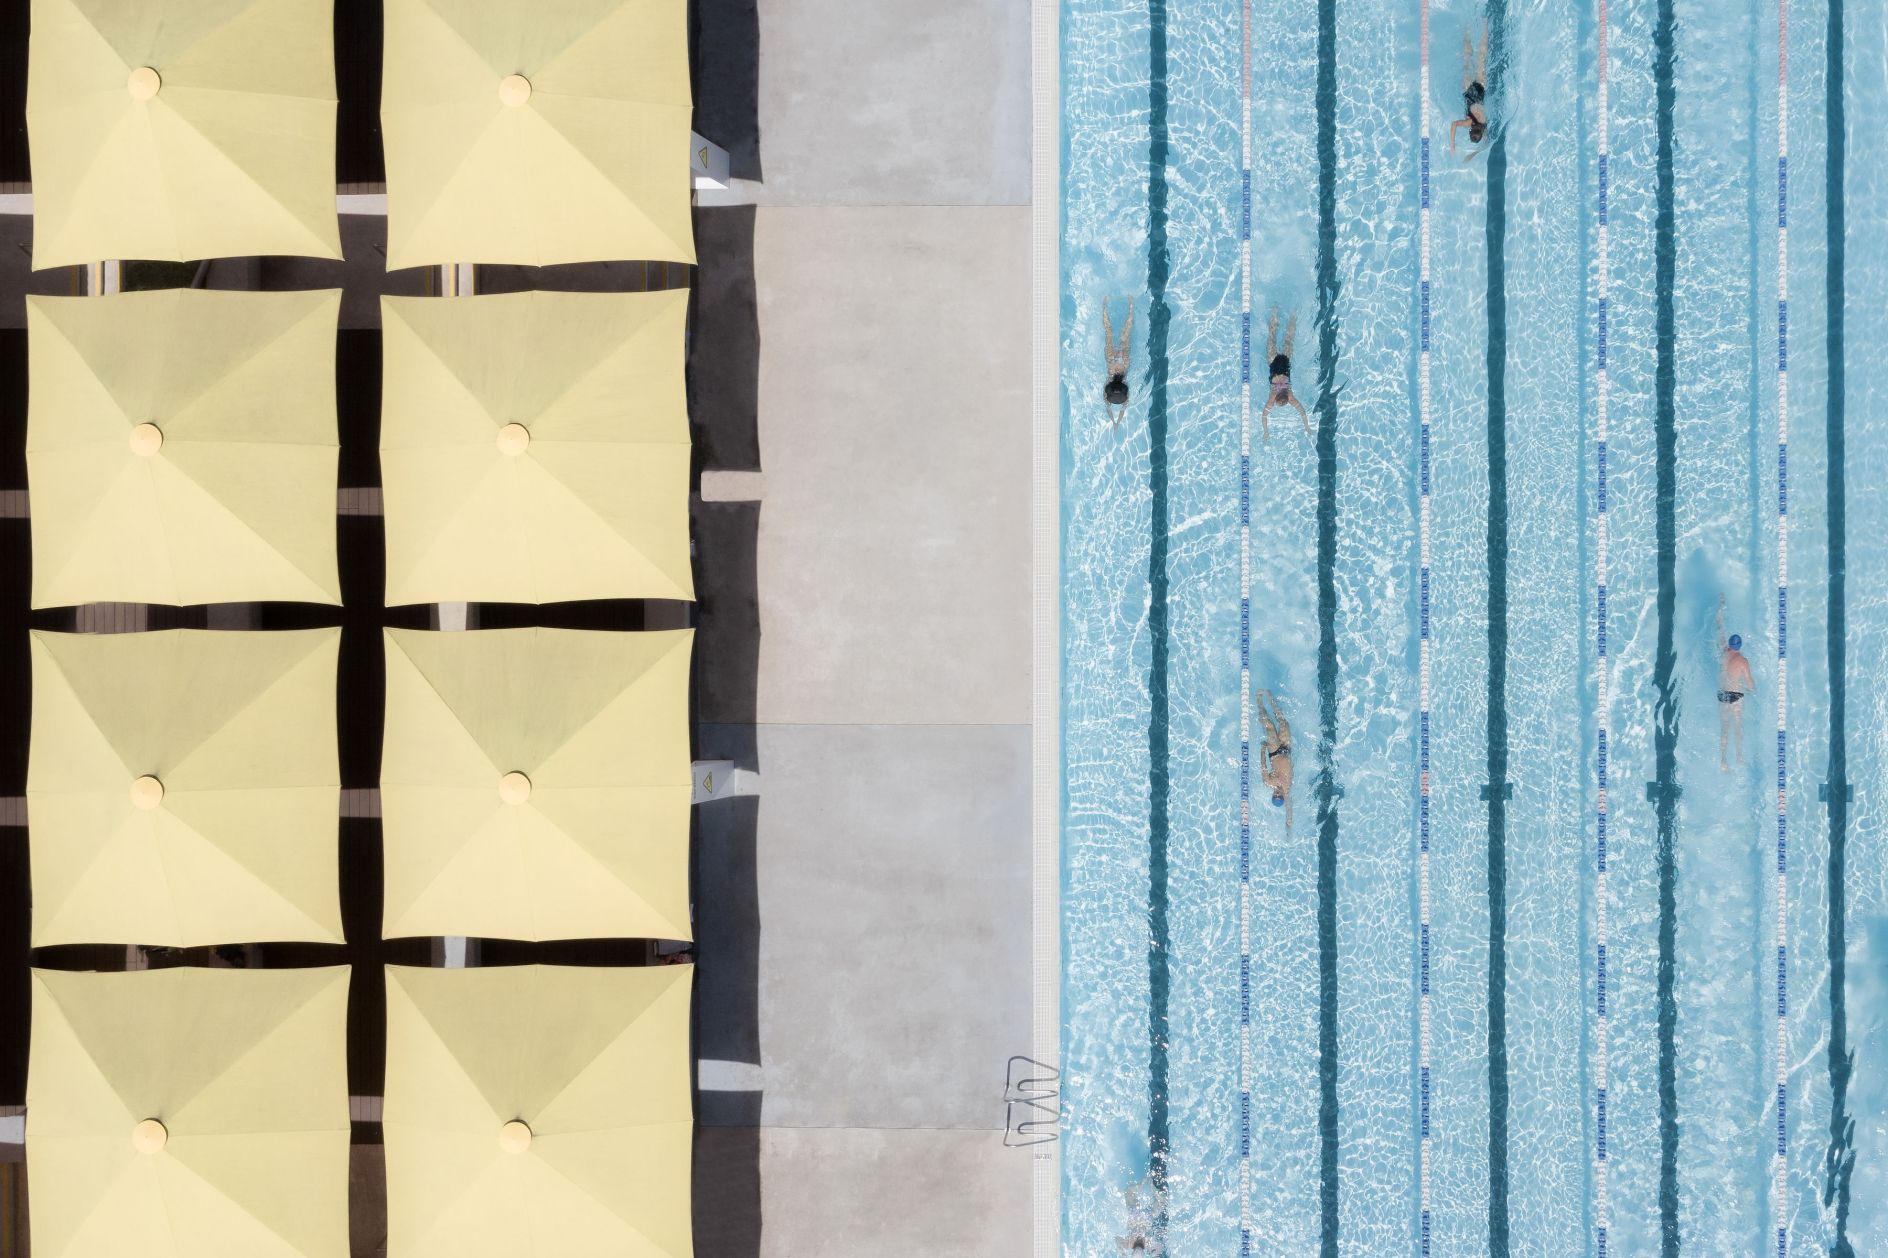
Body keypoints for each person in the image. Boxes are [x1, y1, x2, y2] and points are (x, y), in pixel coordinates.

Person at [1259, 306, 1312, 439]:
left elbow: (1302, 412)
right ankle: (1275, 311)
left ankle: (1293, 312)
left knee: (1289, 337)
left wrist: (1307, 426)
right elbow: (1264, 415)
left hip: (1285, 364)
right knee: (1272, 336)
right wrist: (1266, 432)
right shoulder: (1274, 397)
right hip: (1273, 363)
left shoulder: (1290, 396)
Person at [1717, 595, 1755, 771]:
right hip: (1736, 695)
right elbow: (1750, 684)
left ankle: (1723, 760)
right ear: (1740, 646)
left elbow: (1720, 628)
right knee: (1737, 729)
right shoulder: (1743, 661)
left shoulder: (1724, 651)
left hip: (1722, 695)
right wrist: (1752, 690)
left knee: (1725, 727)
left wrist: (1721, 606)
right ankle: (1739, 758)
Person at [1257, 688, 1295, 832]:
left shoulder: (1268, 782)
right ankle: (1271, 699)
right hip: (1286, 749)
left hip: (1274, 752)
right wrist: (1289, 820)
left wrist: (1263, 750)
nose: (1278, 793)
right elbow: (1289, 808)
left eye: (1276, 795)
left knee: (1269, 726)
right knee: (1284, 723)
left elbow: (1263, 766)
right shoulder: (1286, 790)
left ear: (1273, 794)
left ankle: (1260, 702)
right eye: (1280, 796)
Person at [1449, 21, 1490, 154]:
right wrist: (1452, 144)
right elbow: (1454, 124)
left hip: (1480, 87)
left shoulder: (1484, 124)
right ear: (1472, 131)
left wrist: (1480, 148)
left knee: (1482, 58)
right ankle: (1467, 27)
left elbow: (1486, 140)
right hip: (1468, 89)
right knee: (1467, 58)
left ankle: (1484, 24)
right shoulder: (1468, 122)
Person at [1103, 296, 1134, 424]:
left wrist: (1117, 421)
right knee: (1109, 333)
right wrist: (1115, 422)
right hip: (1111, 362)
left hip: (1123, 362)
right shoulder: (1107, 391)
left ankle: (1131, 306)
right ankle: (1104, 306)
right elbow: (1109, 408)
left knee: (1125, 334)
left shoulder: (1125, 391)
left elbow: (1122, 408)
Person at [1117, 1179, 1165, 1255]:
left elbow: (1160, 1247)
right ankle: (1145, 1184)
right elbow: (1117, 1239)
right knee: (1128, 1191)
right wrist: (1122, 1252)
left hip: (1144, 1217)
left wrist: (1155, 1254)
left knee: (1162, 1200)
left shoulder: (1146, 1244)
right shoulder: (1129, 1244)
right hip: (1138, 1216)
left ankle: (1146, 1184)